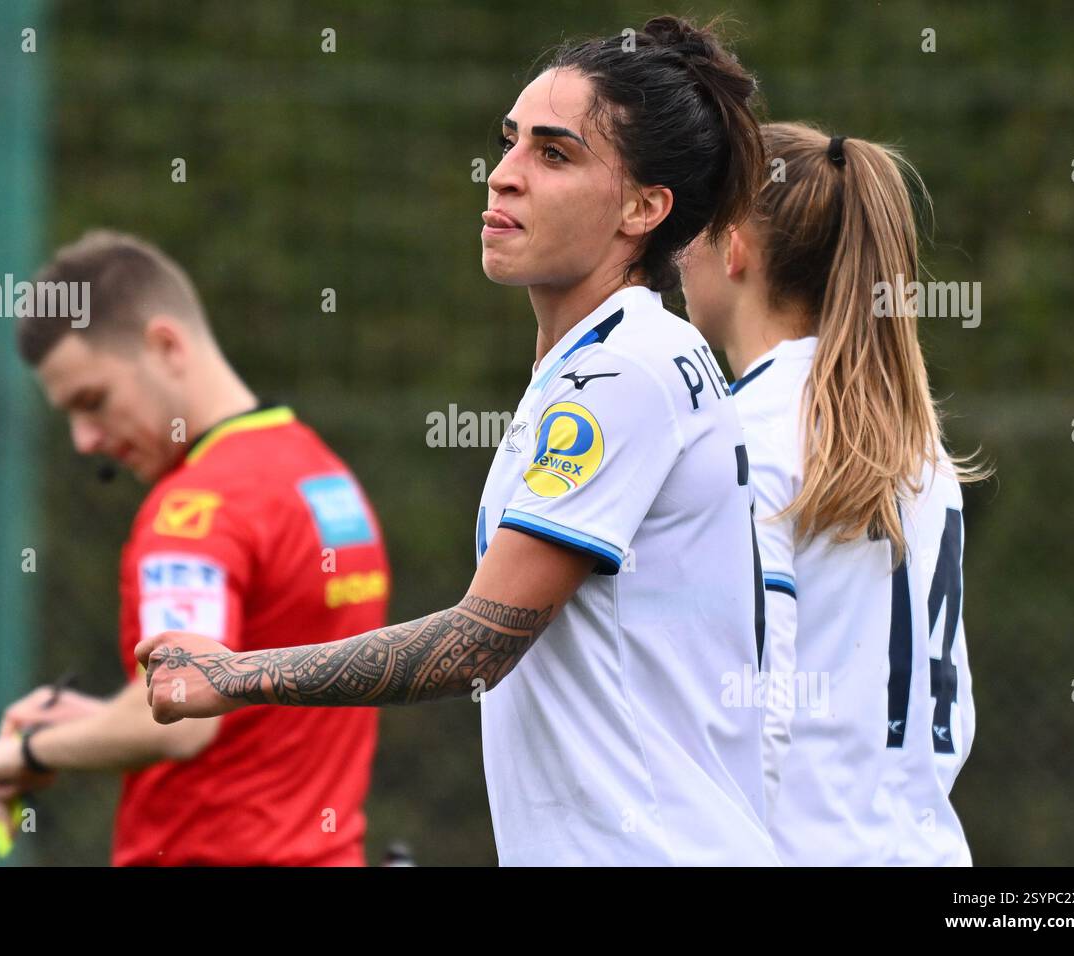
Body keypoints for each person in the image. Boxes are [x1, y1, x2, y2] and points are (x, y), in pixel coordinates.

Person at [137, 16, 781, 867]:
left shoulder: (623, 373)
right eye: (509, 143)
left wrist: (239, 675)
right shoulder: (604, 364)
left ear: (644, 208)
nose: (504, 176)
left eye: (555, 155)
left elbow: (478, 642)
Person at [0, 230, 388, 866]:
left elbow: (185, 714)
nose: (84, 440)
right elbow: (245, 701)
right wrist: (93, 725)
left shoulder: (193, 512)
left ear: (165, 346)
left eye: (93, 402)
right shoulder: (323, 476)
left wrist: (24, 755)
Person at [679, 122, 985, 864]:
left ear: (736, 247)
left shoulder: (744, 432)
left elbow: (761, 710)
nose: (676, 247)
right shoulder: (918, 446)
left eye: (696, 222)